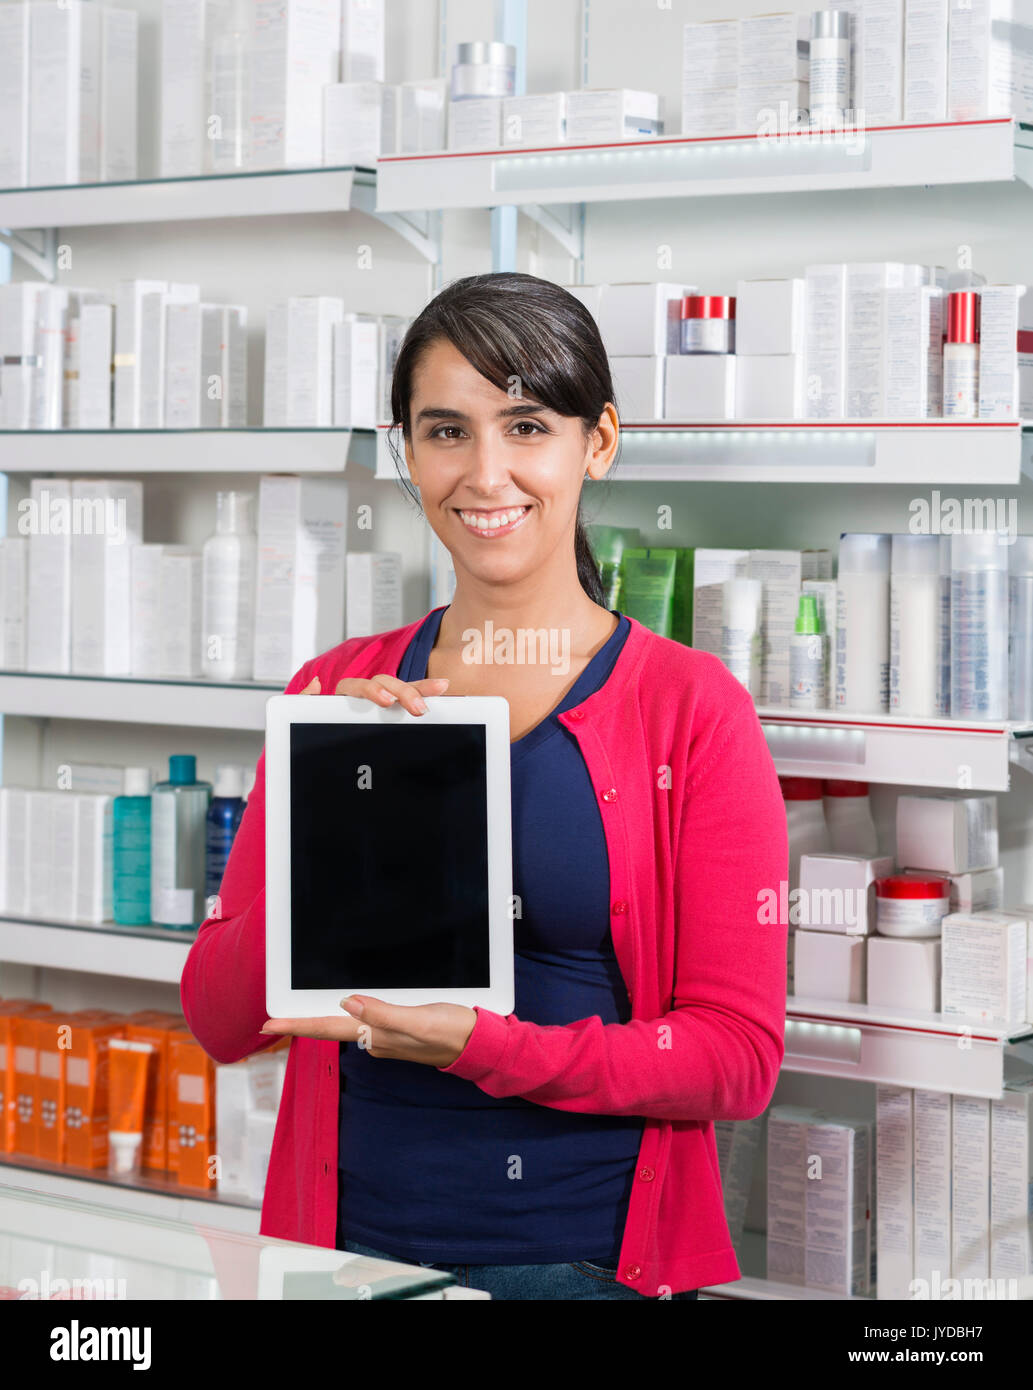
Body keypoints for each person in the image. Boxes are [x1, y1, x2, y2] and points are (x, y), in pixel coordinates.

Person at [181, 271, 788, 1301]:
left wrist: (483, 1047)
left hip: (579, 1263)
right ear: (406, 452)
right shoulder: (336, 692)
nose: (486, 472)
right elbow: (222, 1017)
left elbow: (733, 1059)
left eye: (526, 425)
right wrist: (326, 811)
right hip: (339, 1256)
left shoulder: (690, 709)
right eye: (447, 431)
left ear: (596, 442)